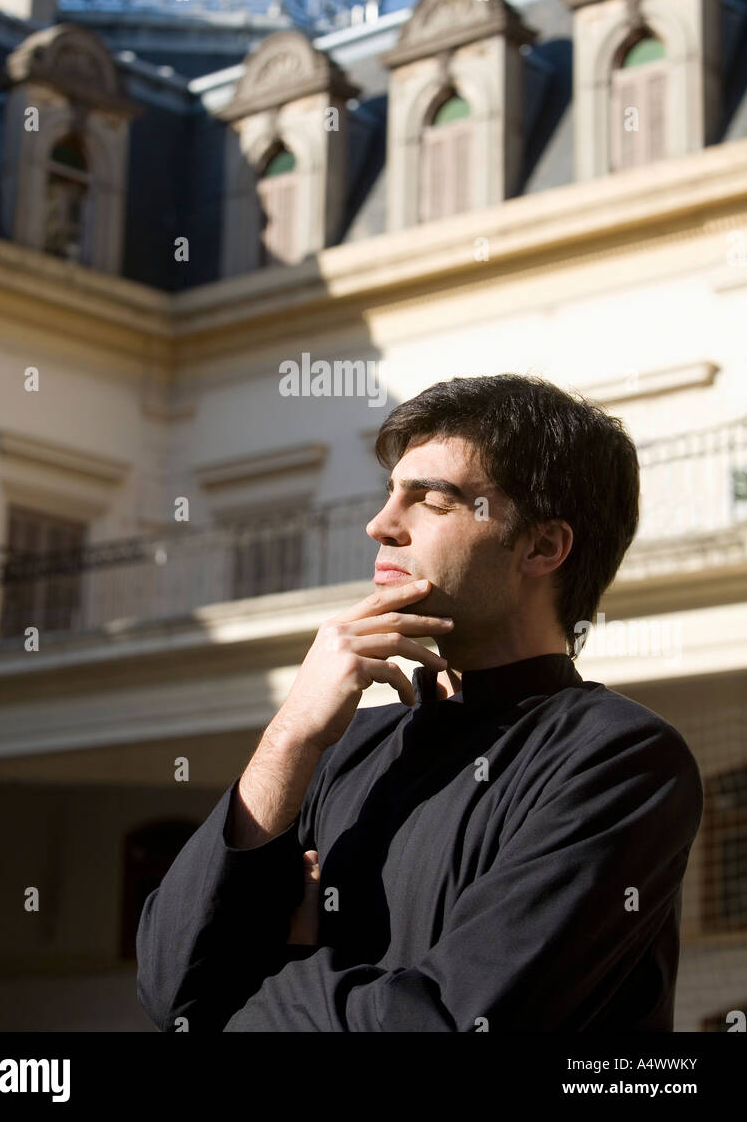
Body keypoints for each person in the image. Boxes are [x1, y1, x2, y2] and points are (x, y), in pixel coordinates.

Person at [136, 373, 704, 1032]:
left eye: (431, 500)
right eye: (389, 494)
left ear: (543, 546)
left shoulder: (622, 760)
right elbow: (173, 992)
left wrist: (274, 970)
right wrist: (288, 735)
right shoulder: (339, 745)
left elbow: (447, 1025)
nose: (380, 524)